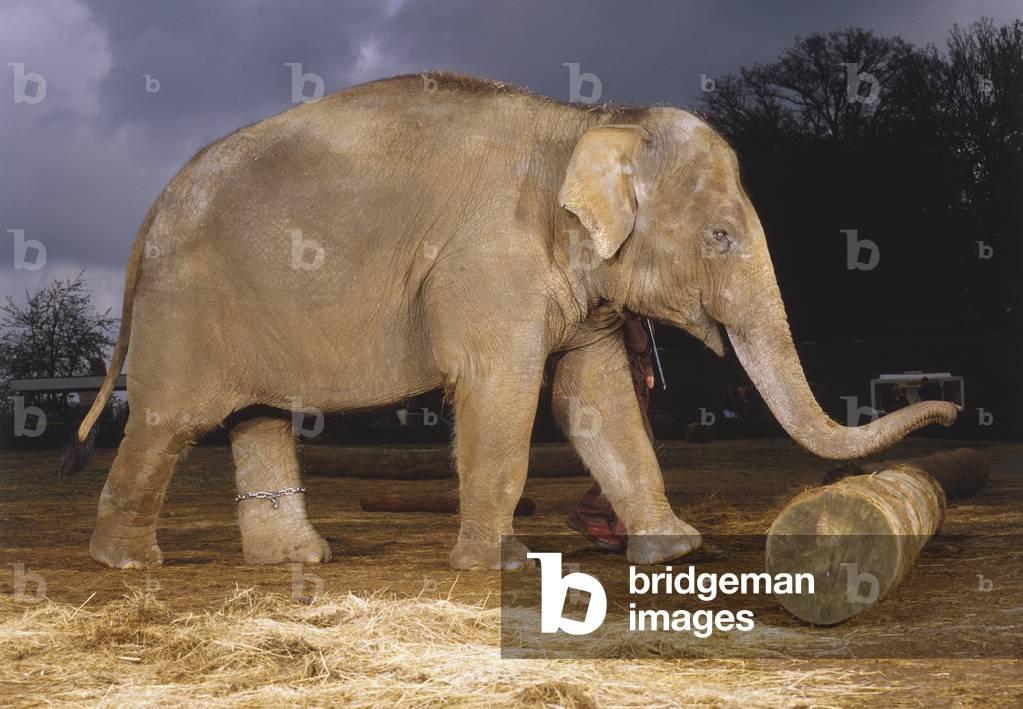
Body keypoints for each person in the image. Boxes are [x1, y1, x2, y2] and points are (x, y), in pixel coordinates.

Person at [567, 317, 655, 552]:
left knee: (636, 447)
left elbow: (643, 336)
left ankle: (619, 521)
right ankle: (591, 510)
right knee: (635, 446)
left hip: (633, 370)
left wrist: (646, 366)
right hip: (615, 372)